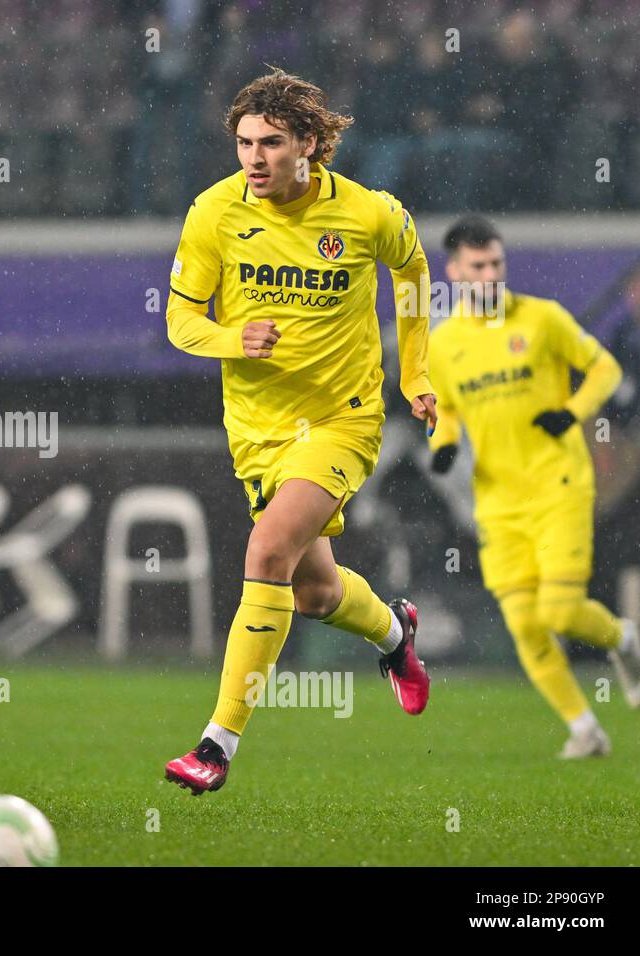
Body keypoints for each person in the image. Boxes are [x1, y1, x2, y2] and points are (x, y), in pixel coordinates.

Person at [162, 69, 436, 796]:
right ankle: (395, 633)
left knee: (267, 548)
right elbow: (180, 319)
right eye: (245, 142)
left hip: (342, 417)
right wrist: (231, 338)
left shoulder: (371, 214)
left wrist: (416, 377)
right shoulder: (213, 213)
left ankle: (215, 745)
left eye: (271, 143)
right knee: (313, 593)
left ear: (309, 144)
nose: (253, 158)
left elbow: (412, 270)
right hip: (257, 428)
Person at [428, 216, 640, 758]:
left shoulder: (542, 319)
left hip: (559, 485)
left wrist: (570, 413)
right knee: (525, 624)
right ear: (455, 272)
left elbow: (606, 370)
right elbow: (449, 410)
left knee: (558, 610)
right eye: (479, 266)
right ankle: (584, 730)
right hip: (498, 500)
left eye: (497, 263)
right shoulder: (444, 342)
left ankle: (623, 639)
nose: (491, 275)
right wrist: (445, 444)